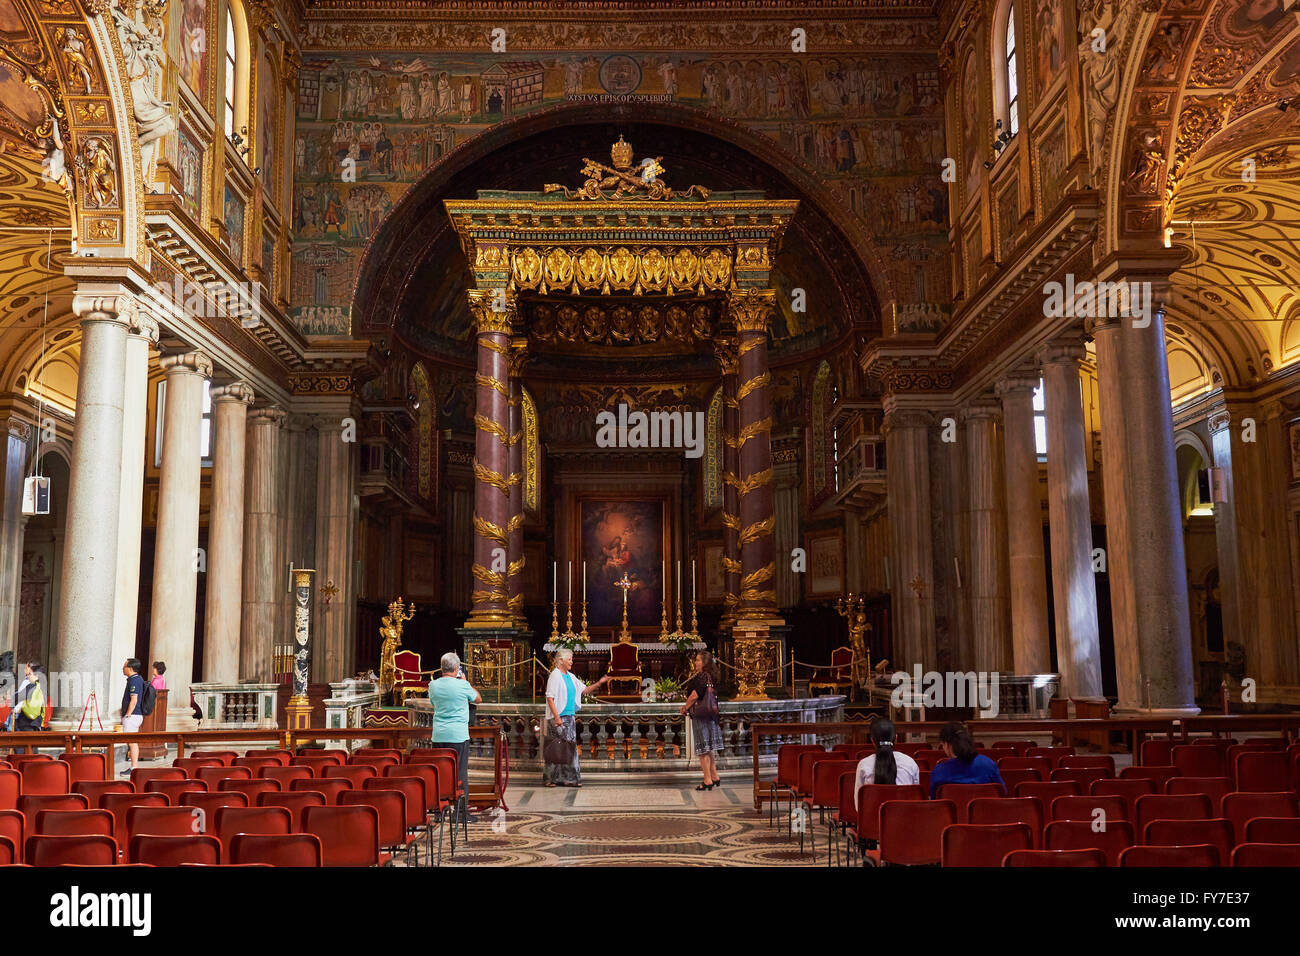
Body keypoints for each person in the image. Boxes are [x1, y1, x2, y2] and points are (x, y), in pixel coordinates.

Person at [544, 649, 609, 788]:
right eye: (569, 659)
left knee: (569, 749)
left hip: (570, 717)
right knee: (556, 749)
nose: (572, 662)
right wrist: (556, 718)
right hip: (559, 718)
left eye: (572, 659)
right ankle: (551, 778)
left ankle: (567, 778)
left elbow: (584, 690)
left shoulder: (571, 676)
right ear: (561, 660)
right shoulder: (555, 676)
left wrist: (599, 683)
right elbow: (550, 698)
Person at [429, 652, 480, 816]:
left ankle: (439, 810)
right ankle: (461, 811)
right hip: (458, 735)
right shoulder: (462, 685)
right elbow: (478, 698)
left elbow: (433, 703)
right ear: (457, 668)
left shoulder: (433, 685)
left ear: (442, 667)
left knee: (439, 772)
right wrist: (466, 683)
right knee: (460, 773)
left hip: (439, 735)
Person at [679, 650, 724, 790]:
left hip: (701, 716)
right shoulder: (712, 676)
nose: (696, 662)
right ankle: (714, 776)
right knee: (708, 748)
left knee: (702, 750)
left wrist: (685, 707)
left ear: (704, 662)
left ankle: (707, 780)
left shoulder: (702, 676)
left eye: (698, 660)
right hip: (711, 715)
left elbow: (694, 695)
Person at [928, 721, 1006, 798]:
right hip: (984, 810)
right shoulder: (989, 765)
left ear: (947, 745)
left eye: (942, 745)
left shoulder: (939, 771)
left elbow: (936, 802)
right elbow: (1002, 794)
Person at [854, 718, 919, 805]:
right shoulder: (910, 763)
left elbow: (858, 805)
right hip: (904, 816)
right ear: (896, 738)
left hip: (871, 817)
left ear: (872, 740)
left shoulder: (863, 765)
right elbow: (915, 799)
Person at [2, 663, 46, 732]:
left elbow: (17, 697)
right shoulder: (42, 688)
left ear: (37, 676)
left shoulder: (31, 686)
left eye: (30, 674)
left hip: (25, 723)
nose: (28, 676)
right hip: (36, 723)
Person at [120, 659, 145, 776]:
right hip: (134, 715)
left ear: (130, 668)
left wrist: (128, 714)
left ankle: (134, 768)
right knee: (132, 742)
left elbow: (134, 700)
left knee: (132, 742)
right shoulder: (136, 679)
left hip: (133, 715)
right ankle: (134, 767)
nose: (122, 668)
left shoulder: (134, 680)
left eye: (124, 666)